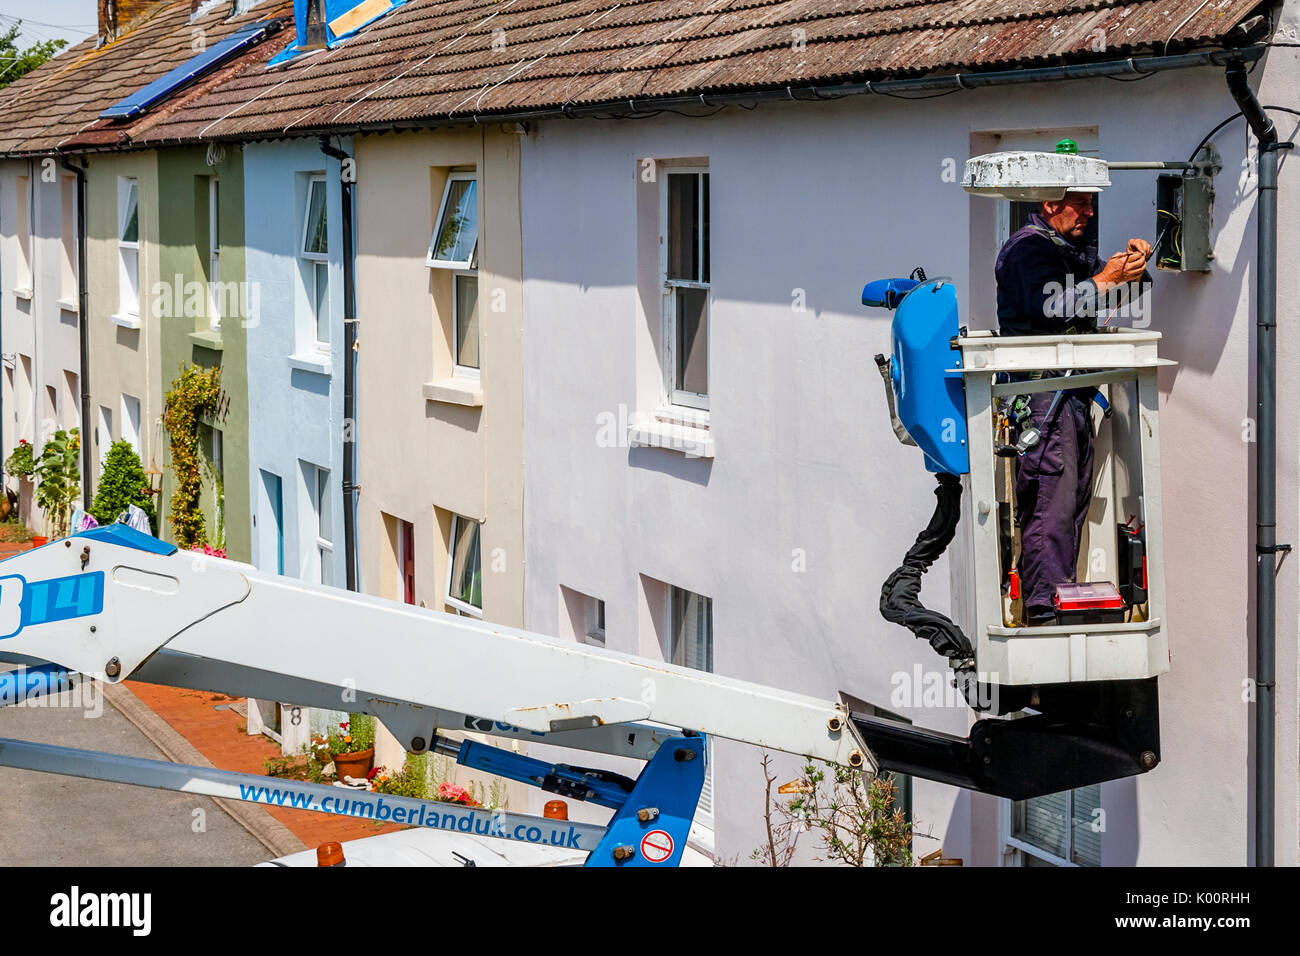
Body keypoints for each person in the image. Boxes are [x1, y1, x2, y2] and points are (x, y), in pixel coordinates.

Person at [995, 191, 1151, 624]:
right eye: (1080, 204)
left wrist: (1134, 270)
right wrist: (1105, 279)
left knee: (1068, 508)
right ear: (1049, 204)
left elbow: (1105, 297)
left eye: (1091, 203)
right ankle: (1046, 617)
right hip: (1044, 399)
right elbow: (1053, 307)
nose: (1090, 212)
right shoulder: (1027, 249)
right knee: (1050, 510)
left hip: (1071, 397)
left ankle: (1058, 611)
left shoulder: (1067, 251)